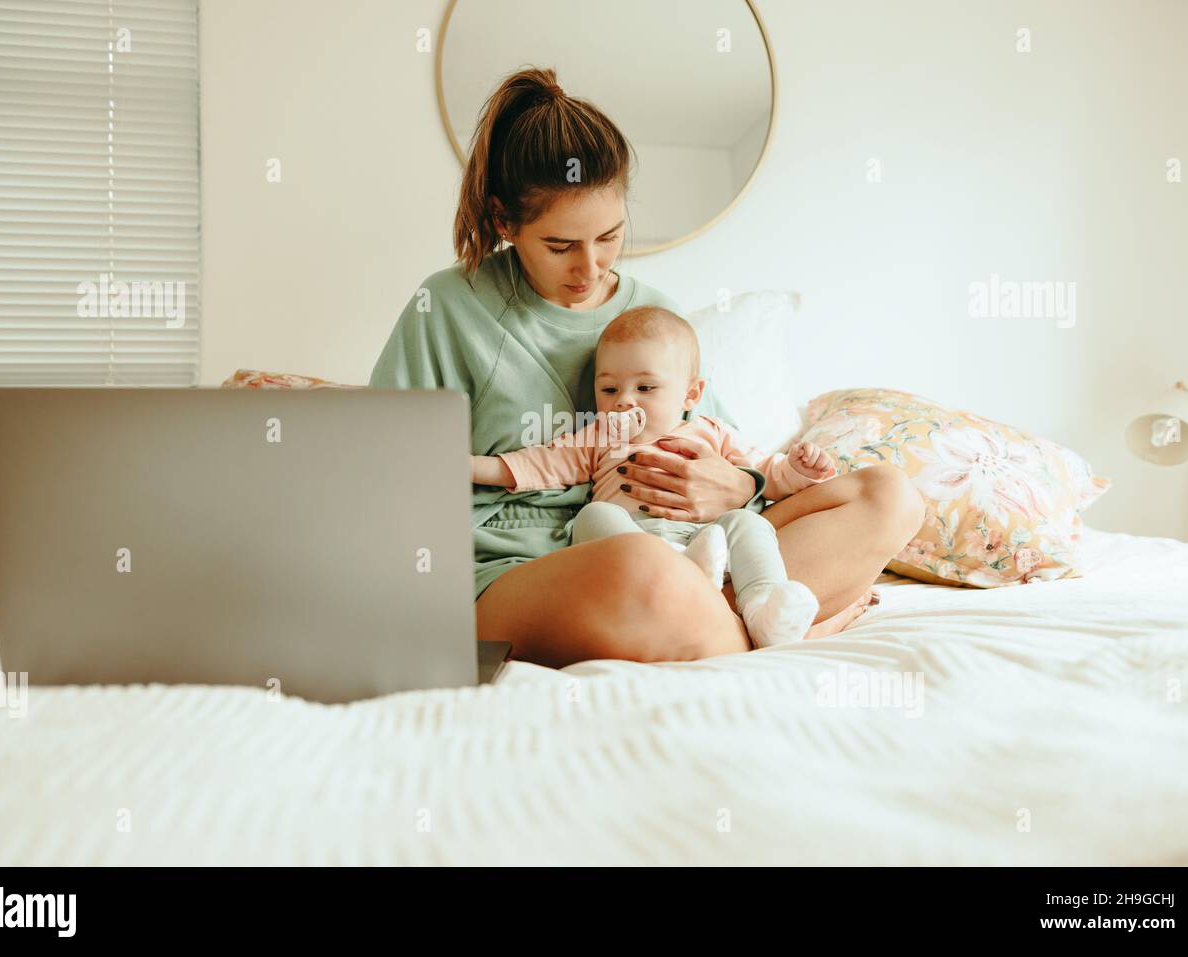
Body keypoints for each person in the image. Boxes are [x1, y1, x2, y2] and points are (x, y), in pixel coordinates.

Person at [369, 67, 924, 667]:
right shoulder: (448, 308)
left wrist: (740, 485)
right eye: (561, 246)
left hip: (692, 547)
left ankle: (719, 618)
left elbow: (720, 452)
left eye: (609, 236)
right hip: (523, 571)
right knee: (641, 569)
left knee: (889, 495)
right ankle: (805, 623)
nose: (591, 266)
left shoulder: (655, 313)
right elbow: (386, 473)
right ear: (505, 222)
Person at [471, 305, 838, 648]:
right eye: (609, 389)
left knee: (747, 522)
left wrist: (798, 470)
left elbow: (767, 474)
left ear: (691, 394)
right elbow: (537, 464)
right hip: (632, 549)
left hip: (708, 544)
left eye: (645, 388)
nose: (624, 400)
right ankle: (677, 573)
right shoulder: (600, 435)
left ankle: (764, 608)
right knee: (594, 516)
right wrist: (468, 466)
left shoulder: (712, 432)